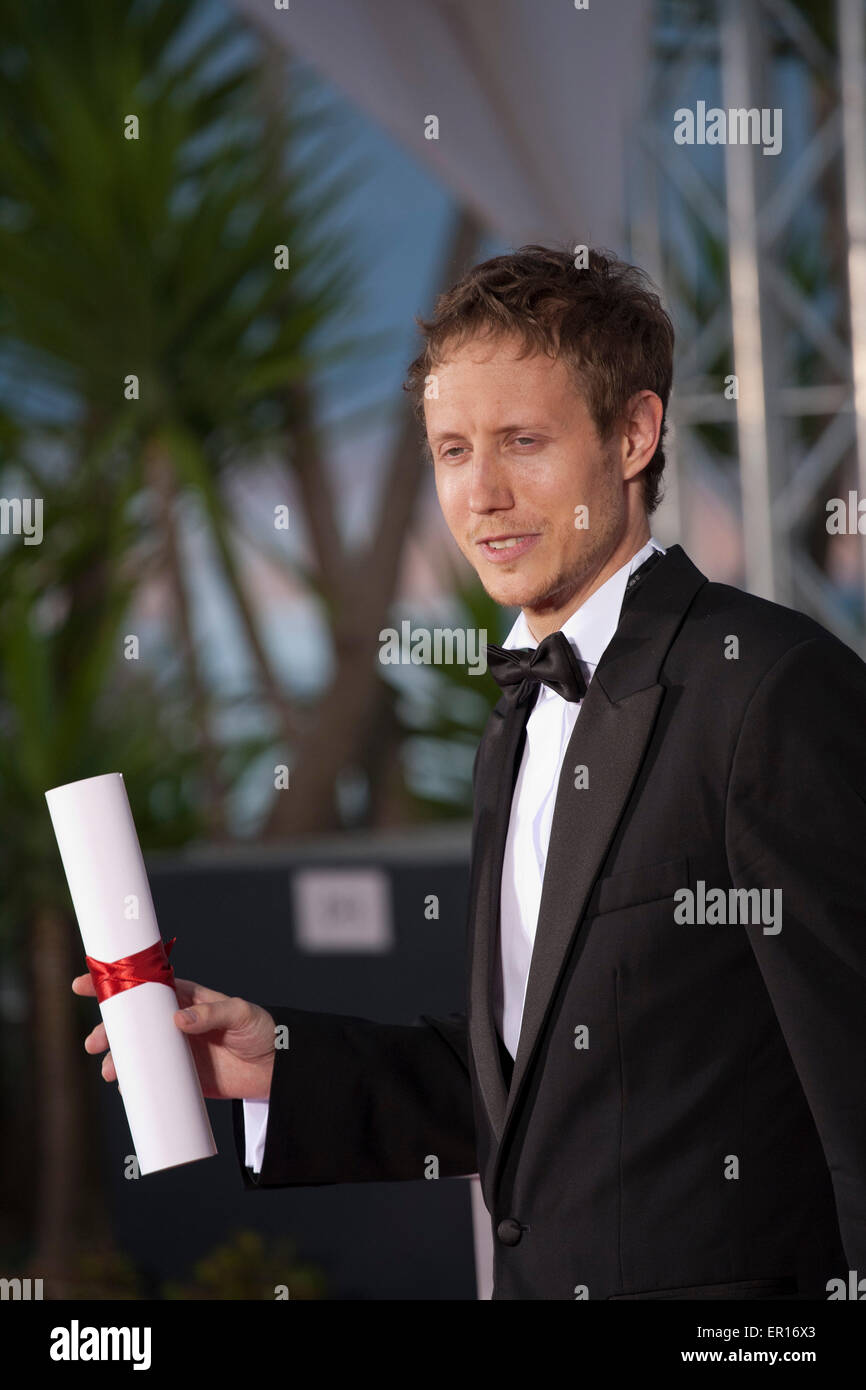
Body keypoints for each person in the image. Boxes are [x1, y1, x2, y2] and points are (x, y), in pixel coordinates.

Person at [75, 245, 866, 1301]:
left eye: (522, 442)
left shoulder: (767, 690)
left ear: (632, 433)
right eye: (451, 450)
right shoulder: (518, 717)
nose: (480, 494)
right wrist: (278, 1060)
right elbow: (526, 1085)